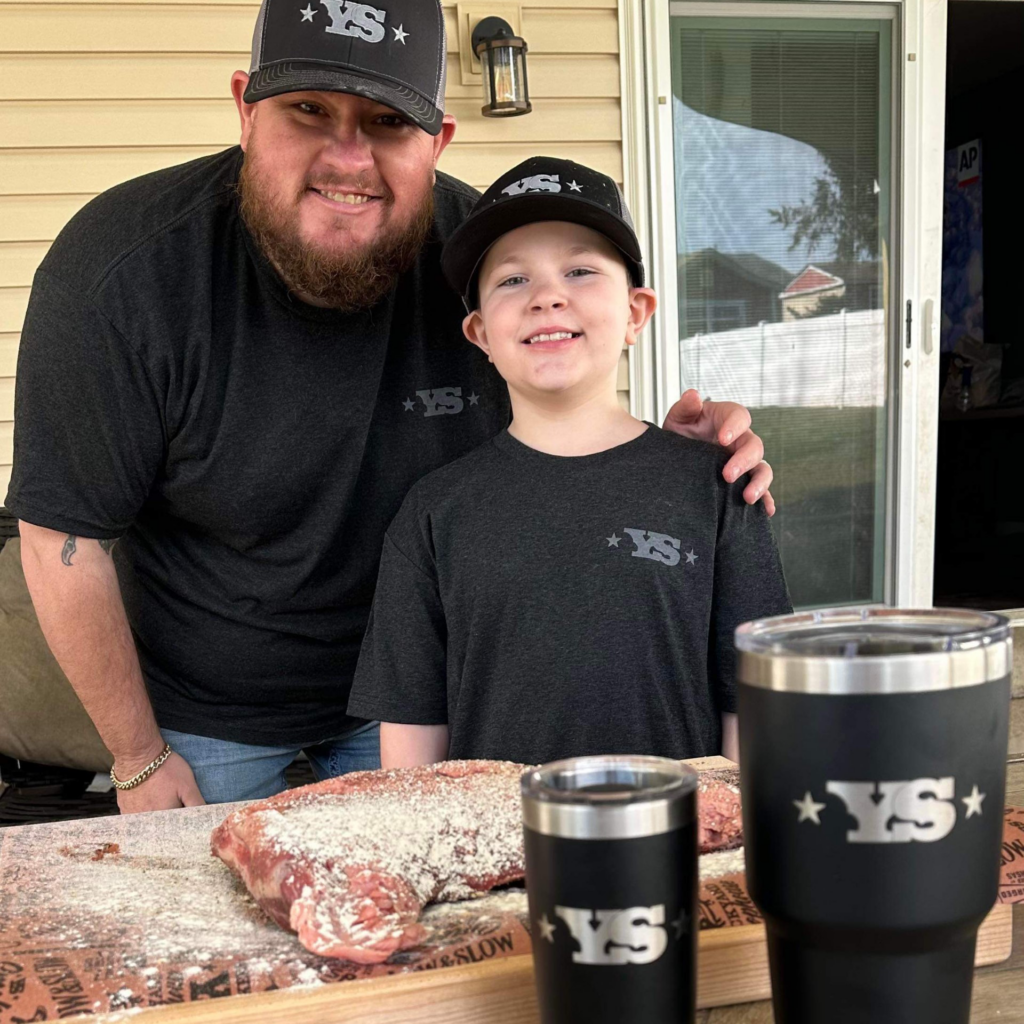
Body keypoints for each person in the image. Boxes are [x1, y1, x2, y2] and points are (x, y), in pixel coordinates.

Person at [6, 0, 775, 813]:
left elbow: (563, 378)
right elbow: (64, 536)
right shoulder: (120, 274)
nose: (348, 157)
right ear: (245, 109)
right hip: (210, 707)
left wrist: (680, 460)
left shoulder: (481, 260)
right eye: (308, 110)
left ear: (436, 141)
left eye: (386, 122)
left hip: (428, 694)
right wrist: (136, 757)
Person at [347, 158, 792, 767]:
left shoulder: (716, 489)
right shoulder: (433, 512)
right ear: (478, 332)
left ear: (636, 313)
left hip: (675, 846)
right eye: (511, 280)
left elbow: (756, 702)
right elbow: (412, 738)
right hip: (501, 855)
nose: (547, 297)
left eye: (580, 271)